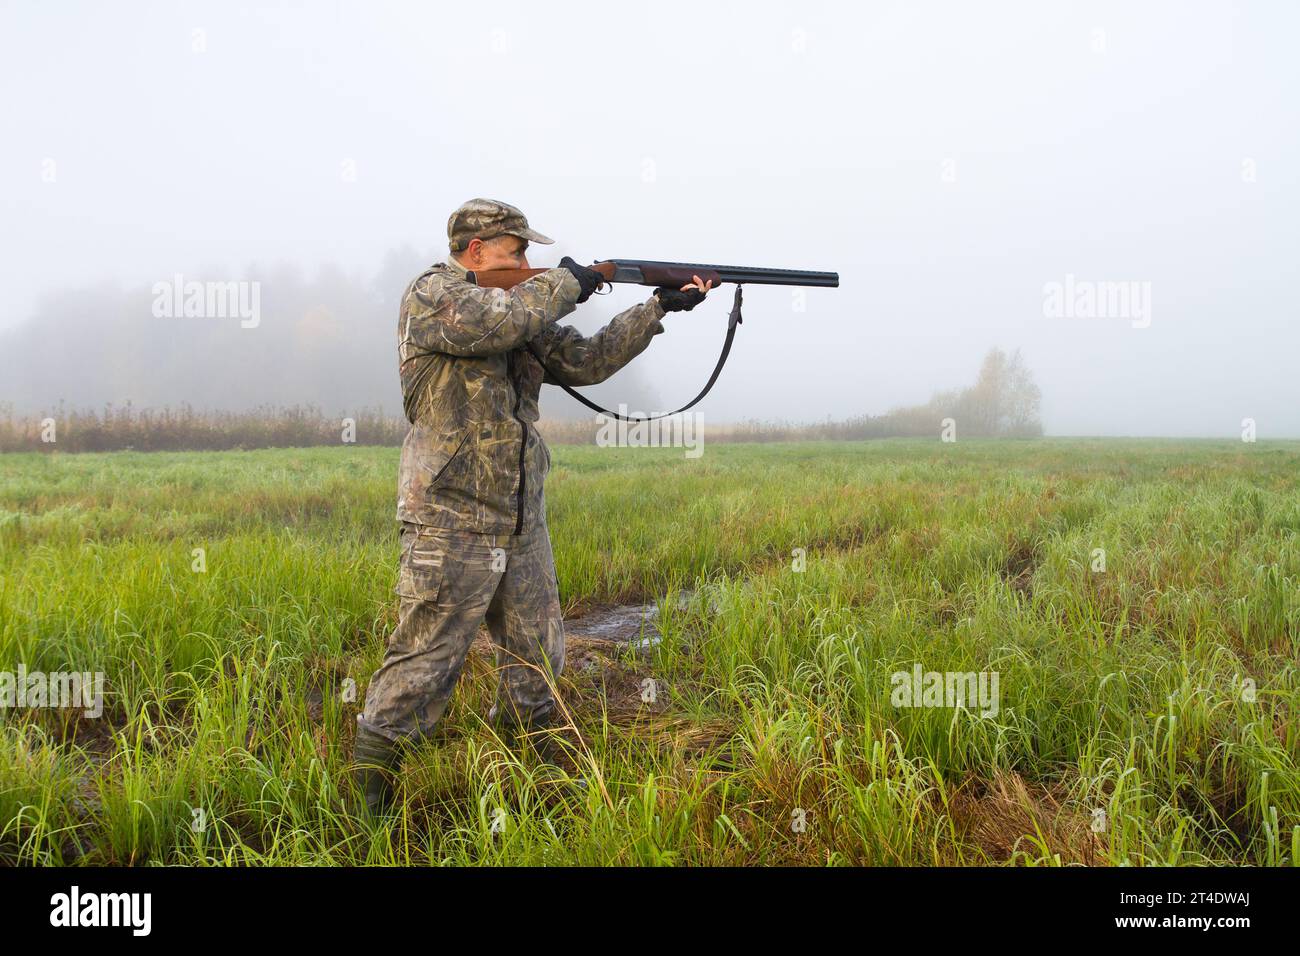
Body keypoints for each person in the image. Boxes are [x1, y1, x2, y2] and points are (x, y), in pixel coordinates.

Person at [353, 198, 712, 813]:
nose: (527, 262)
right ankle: (370, 791)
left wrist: (656, 308)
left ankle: (531, 768)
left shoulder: (522, 309)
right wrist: (573, 281)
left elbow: (586, 360)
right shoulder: (436, 297)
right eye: (517, 251)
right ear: (476, 250)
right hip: (450, 514)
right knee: (426, 658)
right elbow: (502, 320)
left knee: (538, 654)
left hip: (519, 515)